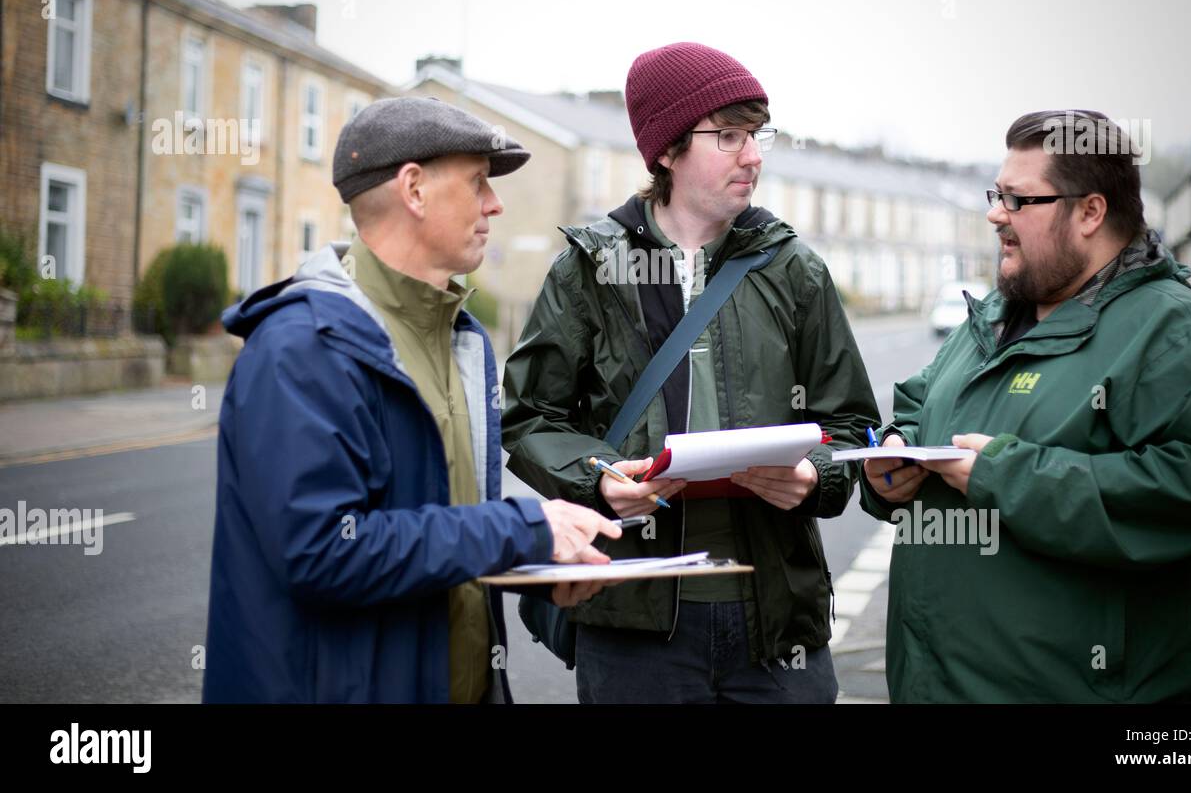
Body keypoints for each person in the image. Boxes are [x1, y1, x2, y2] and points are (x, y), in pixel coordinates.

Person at [203, 96, 620, 704]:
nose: (495, 203)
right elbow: (324, 551)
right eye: (478, 181)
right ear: (415, 190)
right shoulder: (302, 348)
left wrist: (541, 564)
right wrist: (522, 527)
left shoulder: (458, 339)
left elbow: (438, 527)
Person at [502, 42, 880, 703]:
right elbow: (533, 416)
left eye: (756, 136)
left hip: (776, 625)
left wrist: (816, 476)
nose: (753, 155)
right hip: (632, 627)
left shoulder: (794, 269)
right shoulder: (591, 269)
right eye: (728, 136)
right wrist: (599, 476)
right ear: (668, 151)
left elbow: (851, 424)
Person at [860, 110, 1191, 702]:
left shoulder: (1178, 336)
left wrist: (1006, 475)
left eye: (1018, 199)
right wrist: (893, 457)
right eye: (995, 194)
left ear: (1090, 211)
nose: (994, 213)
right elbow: (920, 404)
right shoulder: (993, 320)